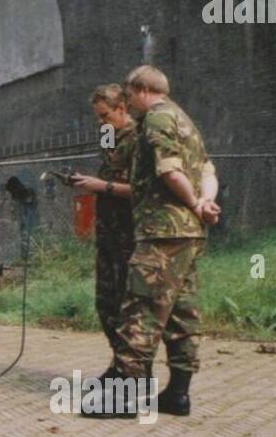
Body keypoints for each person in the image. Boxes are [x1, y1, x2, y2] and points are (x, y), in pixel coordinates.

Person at [99, 65, 219, 417]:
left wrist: (193, 202)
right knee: (183, 311)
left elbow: (169, 170)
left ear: (140, 90)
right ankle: (178, 394)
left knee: (141, 308)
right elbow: (208, 169)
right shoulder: (186, 121)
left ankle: (123, 398)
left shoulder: (156, 120)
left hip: (162, 231)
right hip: (191, 231)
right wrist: (205, 204)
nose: (129, 103)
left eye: (130, 96)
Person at [71, 84, 137, 373]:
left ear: (122, 109)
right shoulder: (109, 136)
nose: (100, 124)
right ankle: (118, 361)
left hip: (130, 235)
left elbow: (143, 190)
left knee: (128, 305)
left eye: (104, 116)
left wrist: (100, 187)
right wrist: (84, 182)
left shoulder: (140, 139)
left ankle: (132, 367)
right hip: (107, 234)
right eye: (97, 118)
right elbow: (107, 169)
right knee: (105, 304)